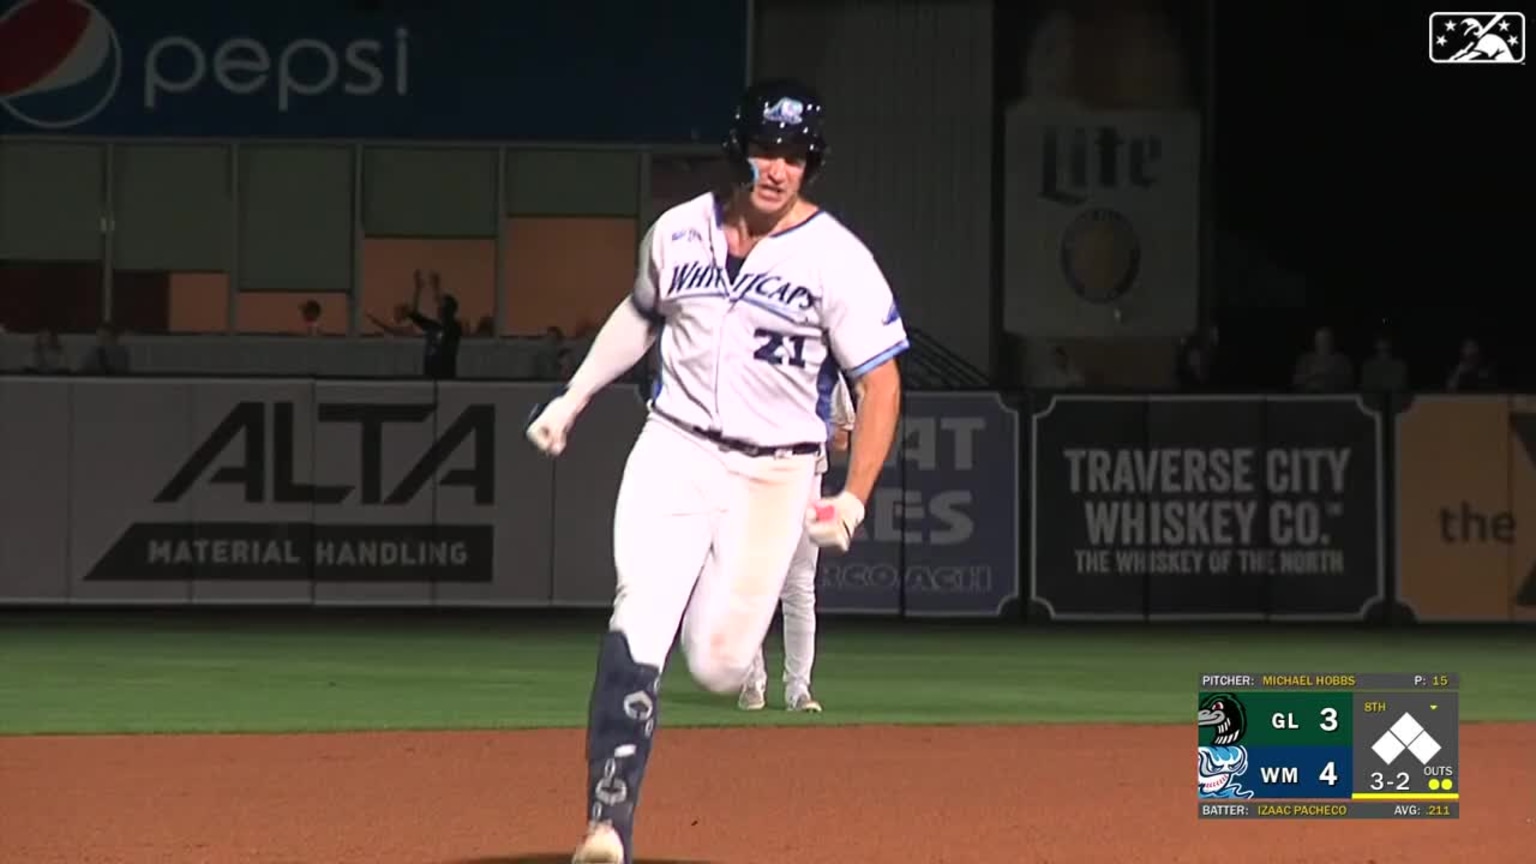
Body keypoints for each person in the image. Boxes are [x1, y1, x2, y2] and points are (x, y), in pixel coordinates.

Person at [525, 78, 907, 864]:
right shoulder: (677, 232)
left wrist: (854, 498)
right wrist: (574, 396)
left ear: (811, 164)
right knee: (640, 613)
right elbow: (639, 315)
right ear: (740, 150)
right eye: (767, 148)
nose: (779, 167)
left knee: (721, 663)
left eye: (796, 154)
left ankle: (710, 595)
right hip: (676, 447)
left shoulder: (838, 259)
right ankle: (607, 822)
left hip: (775, 475)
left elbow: (881, 382)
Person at [738, 372, 856, 714]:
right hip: (765, 479)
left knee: (789, 585)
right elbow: (841, 438)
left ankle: (784, 686)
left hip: (789, 479)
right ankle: (772, 684)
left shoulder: (820, 365)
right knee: (766, 585)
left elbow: (842, 438)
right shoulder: (814, 362)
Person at [407, 269, 462, 379]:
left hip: (446, 376)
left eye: (442, 306)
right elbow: (413, 314)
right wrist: (417, 290)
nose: (438, 308)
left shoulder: (454, 327)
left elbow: (443, 305)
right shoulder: (432, 326)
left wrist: (436, 287)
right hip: (429, 375)